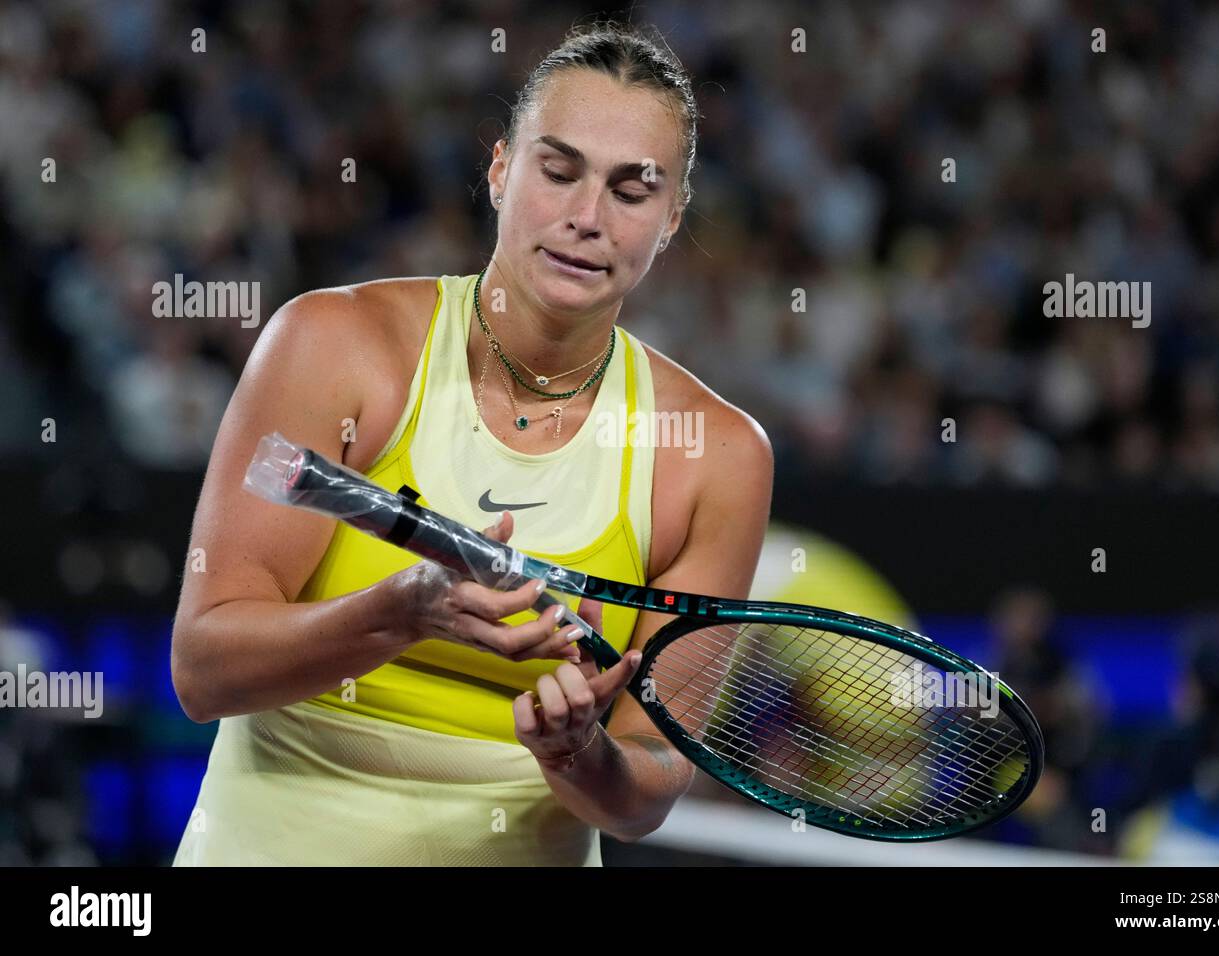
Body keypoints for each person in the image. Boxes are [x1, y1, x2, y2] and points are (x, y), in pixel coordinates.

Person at [170, 21, 773, 865]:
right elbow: (203, 671)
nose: (585, 218)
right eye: (557, 171)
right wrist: (398, 613)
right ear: (500, 170)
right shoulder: (332, 343)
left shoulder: (720, 455)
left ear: (671, 218)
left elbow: (646, 792)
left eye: (631, 192)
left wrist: (579, 754)